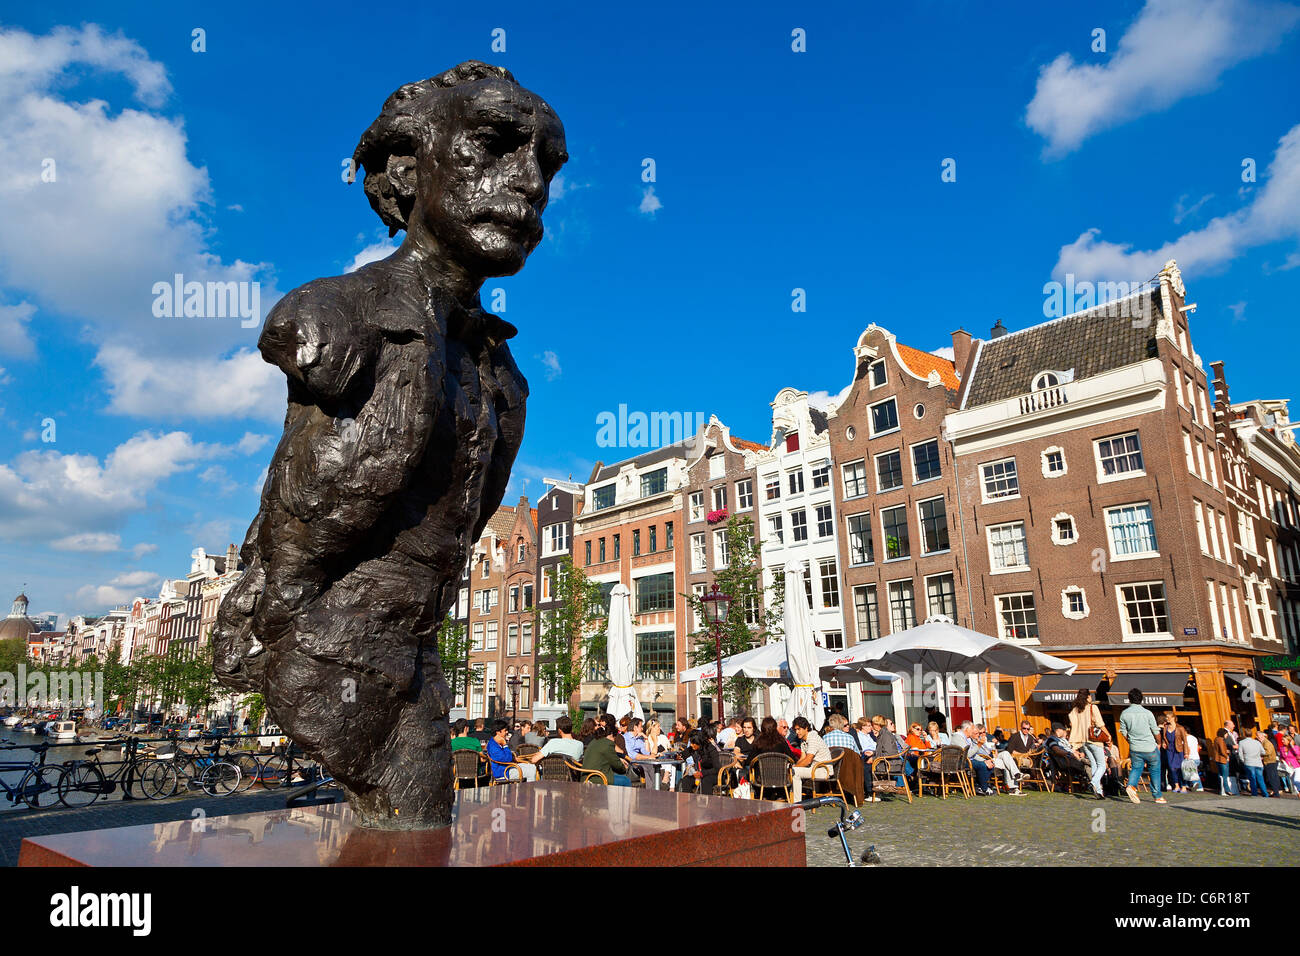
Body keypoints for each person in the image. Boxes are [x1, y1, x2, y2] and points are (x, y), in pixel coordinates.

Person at [1119, 688, 1165, 804]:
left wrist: (1131, 741)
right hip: (1149, 746)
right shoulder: (1147, 713)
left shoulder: (1124, 714)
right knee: (1155, 771)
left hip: (1135, 747)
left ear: (1129, 699)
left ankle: (1131, 785)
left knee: (1136, 768)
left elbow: (1123, 732)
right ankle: (1157, 796)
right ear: (1141, 699)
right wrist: (1159, 743)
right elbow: (1156, 731)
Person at [1067, 689, 1109, 799]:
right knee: (1102, 765)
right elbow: (1100, 724)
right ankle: (1094, 783)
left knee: (1094, 764)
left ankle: (1098, 791)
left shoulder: (1077, 710)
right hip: (1094, 740)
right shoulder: (1092, 707)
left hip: (1083, 741)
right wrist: (1108, 736)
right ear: (1088, 697)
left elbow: (1072, 722)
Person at [791, 716, 834, 802]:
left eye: (799, 729)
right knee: (792, 771)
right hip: (814, 768)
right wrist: (794, 766)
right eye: (795, 730)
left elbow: (808, 760)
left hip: (823, 770)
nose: (797, 732)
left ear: (806, 728)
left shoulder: (813, 738)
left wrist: (794, 768)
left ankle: (797, 803)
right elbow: (802, 758)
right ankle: (791, 798)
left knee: (795, 773)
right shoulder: (803, 740)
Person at [583, 722, 632, 786]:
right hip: (596, 777)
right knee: (626, 780)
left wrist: (619, 760)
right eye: (614, 738)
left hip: (586, 776)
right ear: (611, 735)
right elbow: (618, 766)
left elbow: (605, 758)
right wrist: (624, 767)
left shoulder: (595, 741)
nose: (614, 741)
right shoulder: (608, 743)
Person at [1158, 713, 1190, 794]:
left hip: (1179, 750)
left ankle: (1183, 786)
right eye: (1166, 717)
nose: (1167, 719)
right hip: (1170, 750)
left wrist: (1186, 753)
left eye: (1168, 717)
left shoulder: (1180, 728)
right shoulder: (1166, 727)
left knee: (1181, 769)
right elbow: (1164, 737)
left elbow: (1185, 741)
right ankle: (1176, 785)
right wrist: (1163, 743)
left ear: (1173, 718)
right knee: (1172, 768)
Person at [1238, 727, 1269, 797]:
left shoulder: (1241, 742)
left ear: (1244, 734)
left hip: (1248, 762)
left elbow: (1240, 755)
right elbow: (1263, 752)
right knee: (1261, 779)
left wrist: (1243, 761)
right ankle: (1265, 793)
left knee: (1252, 779)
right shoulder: (1257, 742)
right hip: (1258, 762)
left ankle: (1254, 793)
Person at [1259, 726, 1284, 798]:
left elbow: (1268, 751)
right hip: (1271, 760)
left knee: (1272, 777)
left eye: (1259, 737)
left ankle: (1276, 792)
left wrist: (1261, 753)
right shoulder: (1267, 741)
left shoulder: (1267, 742)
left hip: (1270, 761)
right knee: (1273, 776)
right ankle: (1276, 791)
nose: (1258, 738)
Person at [1212, 729, 1234, 794]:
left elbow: (1219, 749)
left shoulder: (1216, 739)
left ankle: (1222, 789)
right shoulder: (1221, 740)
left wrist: (1226, 750)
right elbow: (1222, 750)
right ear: (1223, 734)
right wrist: (1227, 756)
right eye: (1226, 734)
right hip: (1223, 759)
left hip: (1217, 759)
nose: (1227, 735)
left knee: (1220, 775)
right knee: (1225, 775)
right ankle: (1227, 790)